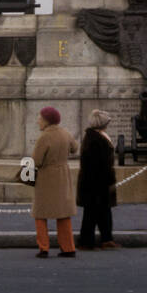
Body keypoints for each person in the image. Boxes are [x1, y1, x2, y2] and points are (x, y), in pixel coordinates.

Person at [31, 106, 78, 258]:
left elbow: (37, 160)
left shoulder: (44, 136)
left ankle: (43, 247)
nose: (38, 121)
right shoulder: (65, 133)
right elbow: (75, 148)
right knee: (63, 213)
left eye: (40, 118)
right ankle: (68, 247)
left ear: (46, 120)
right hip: (63, 175)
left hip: (46, 177)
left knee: (40, 212)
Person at [77, 110, 118, 250]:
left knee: (103, 212)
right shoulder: (95, 140)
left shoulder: (95, 137)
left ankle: (106, 238)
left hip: (97, 182)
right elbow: (96, 164)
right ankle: (86, 241)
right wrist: (107, 180)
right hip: (95, 183)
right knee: (91, 213)